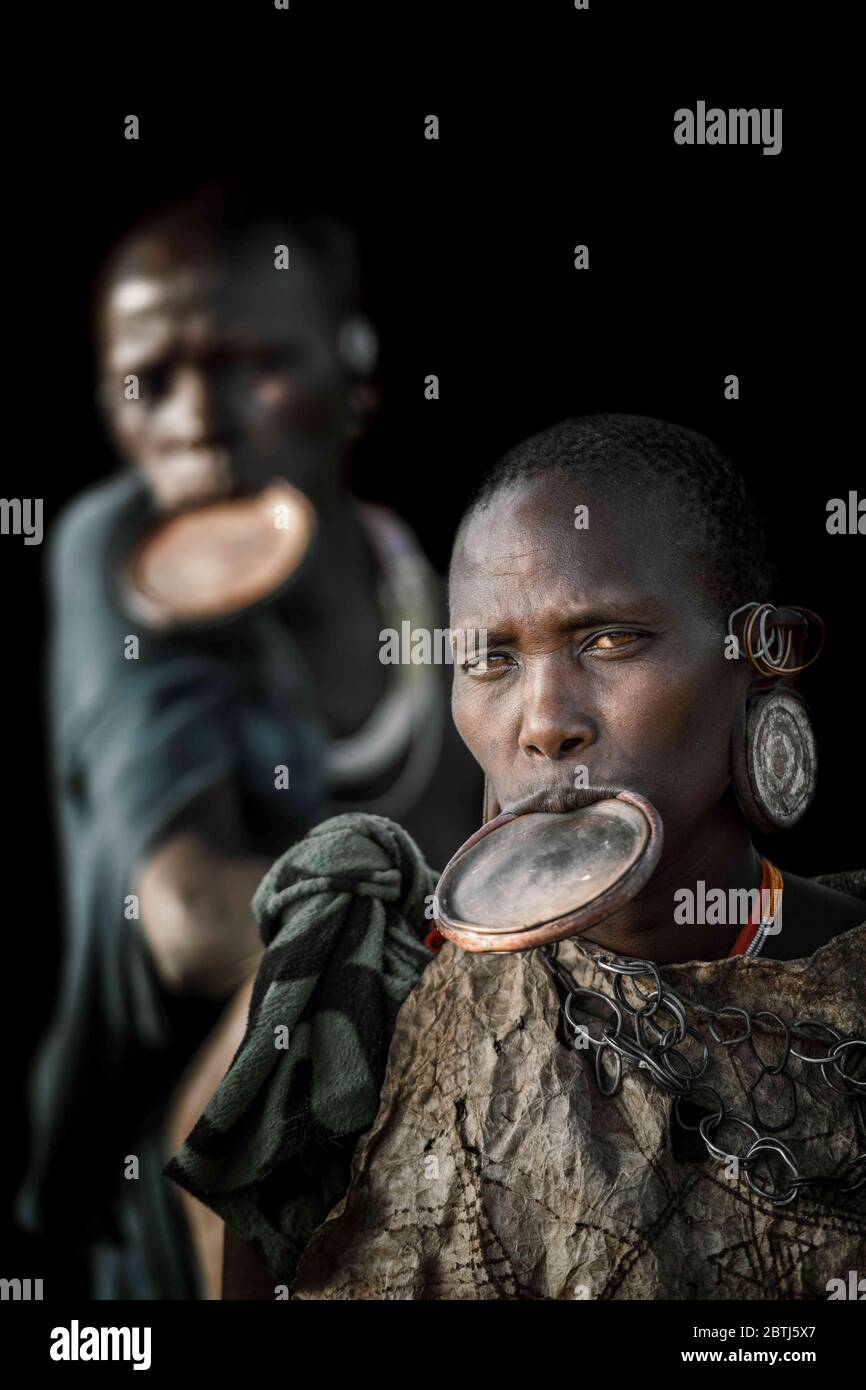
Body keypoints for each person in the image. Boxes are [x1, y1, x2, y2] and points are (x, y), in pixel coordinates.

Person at [166, 413, 864, 1300]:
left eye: (608, 640)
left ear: (762, 653)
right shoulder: (356, 1003)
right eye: (490, 660)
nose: (542, 724)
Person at [16, 185, 481, 1299]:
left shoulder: (426, 579)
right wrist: (436, 957)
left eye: (248, 364)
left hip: (413, 1125)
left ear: (354, 376)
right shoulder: (116, 551)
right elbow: (179, 920)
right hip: (168, 1196)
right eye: (148, 380)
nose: (194, 420)